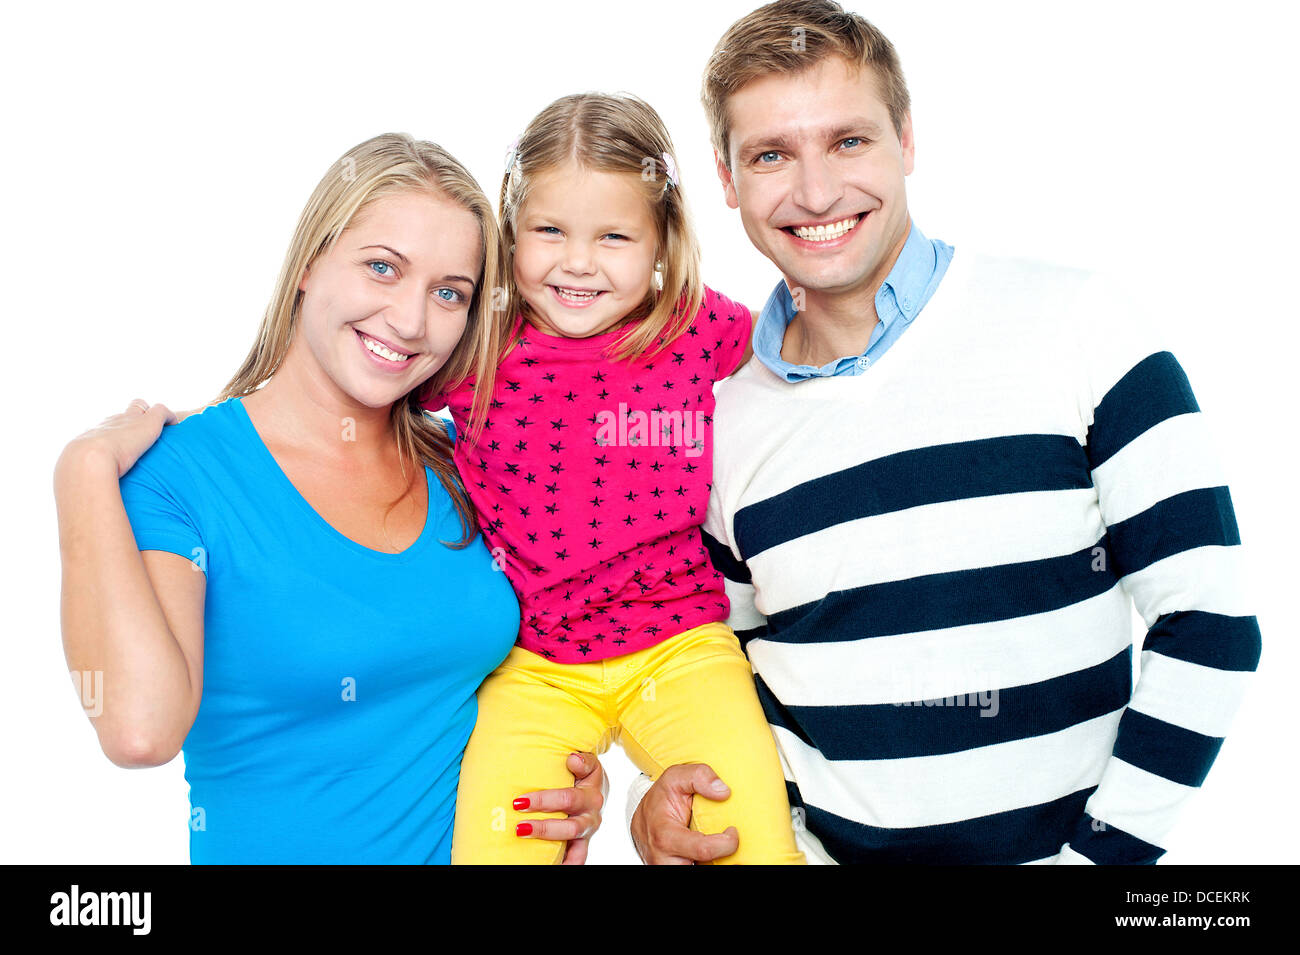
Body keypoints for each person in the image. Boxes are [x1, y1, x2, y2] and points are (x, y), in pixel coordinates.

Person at [630, 0, 1262, 864]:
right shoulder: (716, 423)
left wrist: (1098, 862)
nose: (816, 193)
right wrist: (652, 791)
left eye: (849, 141)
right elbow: (721, 681)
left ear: (908, 140)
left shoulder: (1080, 324)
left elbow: (1211, 620)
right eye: (772, 155)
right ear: (728, 179)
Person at [54, 132, 605, 864]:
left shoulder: (468, 464)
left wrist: (563, 775)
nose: (411, 322)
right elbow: (138, 730)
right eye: (382, 267)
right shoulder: (181, 476)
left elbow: (553, 665)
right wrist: (83, 468)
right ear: (311, 262)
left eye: (449, 293)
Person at [428, 93, 805, 864]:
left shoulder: (697, 326)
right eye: (549, 231)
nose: (577, 261)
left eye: (614, 236)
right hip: (532, 665)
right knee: (496, 850)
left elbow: (809, 343)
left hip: (682, 646)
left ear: (662, 237)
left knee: (750, 840)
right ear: (510, 228)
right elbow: (345, 390)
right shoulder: (476, 348)